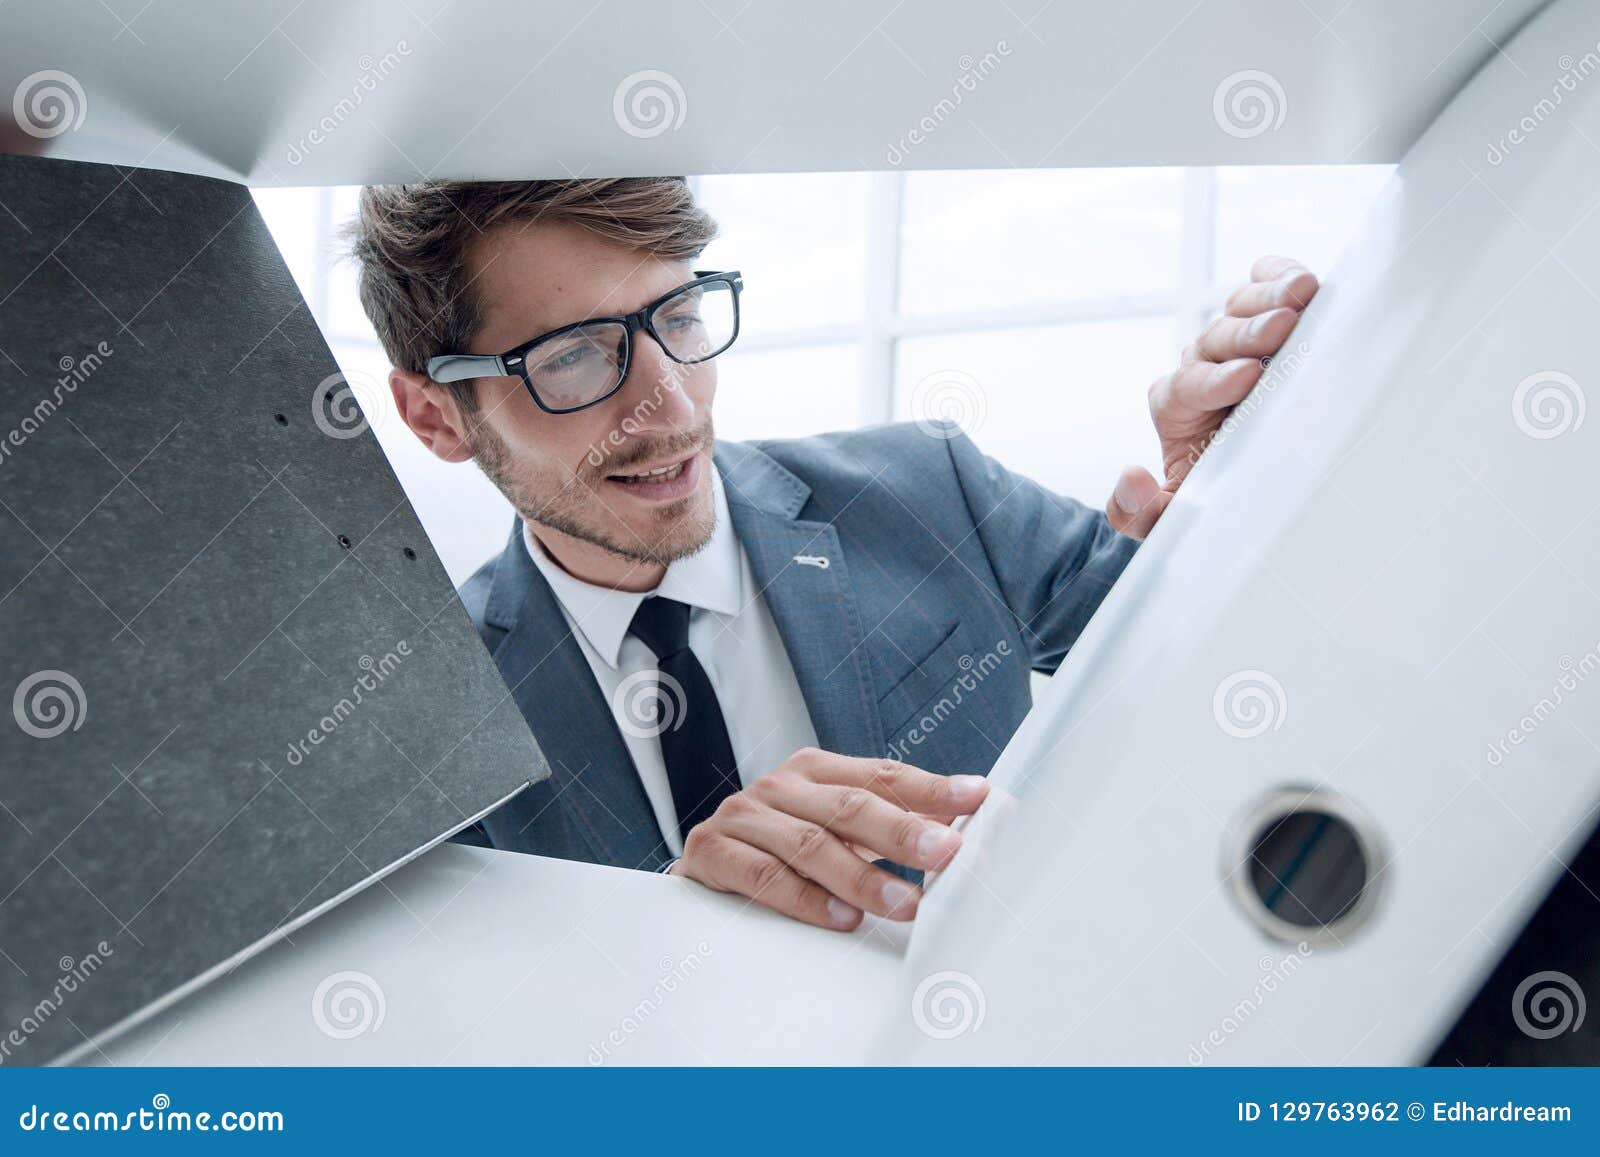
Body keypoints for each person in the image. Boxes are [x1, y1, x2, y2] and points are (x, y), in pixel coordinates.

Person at [347, 177, 1317, 930]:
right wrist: (671, 939)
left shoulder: (934, 492)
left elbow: (1242, 673)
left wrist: (1234, 487)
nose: (671, 405)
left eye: (678, 316)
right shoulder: (422, 723)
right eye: (572, 356)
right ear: (436, 416)